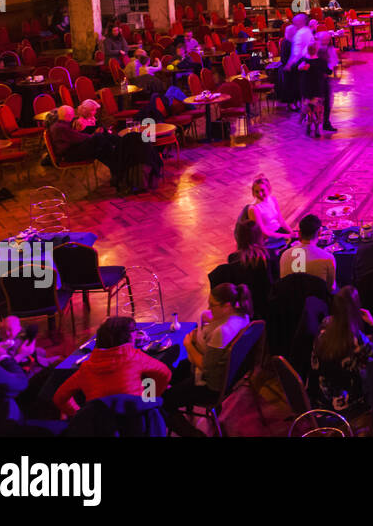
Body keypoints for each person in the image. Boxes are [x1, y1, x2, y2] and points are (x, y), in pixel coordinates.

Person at [163, 283, 253, 436]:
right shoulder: (243, 316)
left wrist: (188, 345)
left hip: (211, 387)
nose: (209, 308)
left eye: (212, 305)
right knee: (177, 369)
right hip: (228, 378)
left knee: (163, 403)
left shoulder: (222, 332)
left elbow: (205, 366)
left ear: (227, 306)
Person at [51, 316, 173, 418]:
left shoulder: (86, 368)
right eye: (135, 331)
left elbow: (59, 398)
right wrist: (149, 397)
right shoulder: (134, 356)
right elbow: (165, 373)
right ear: (127, 337)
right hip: (136, 421)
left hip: (103, 427)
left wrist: (78, 414)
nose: (137, 334)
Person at [309, 286, 373, 416]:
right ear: (356, 309)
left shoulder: (325, 324)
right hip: (348, 405)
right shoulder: (355, 338)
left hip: (321, 401)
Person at [279, 214, 336, 289]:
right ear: (319, 233)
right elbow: (330, 288)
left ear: (299, 233)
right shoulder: (328, 258)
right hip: (317, 299)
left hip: (289, 299)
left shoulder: (284, 255)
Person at [237, 175, 291, 245]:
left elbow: (281, 220)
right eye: (257, 192)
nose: (260, 194)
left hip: (278, 231)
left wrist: (291, 232)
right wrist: (286, 236)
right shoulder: (253, 208)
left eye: (262, 190)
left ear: (268, 189)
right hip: (268, 239)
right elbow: (262, 232)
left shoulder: (273, 199)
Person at [298, 43, 335, 134]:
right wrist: (331, 63)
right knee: (318, 110)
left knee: (309, 109)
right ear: (316, 50)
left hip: (306, 90)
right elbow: (329, 71)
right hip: (317, 90)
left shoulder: (303, 61)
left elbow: (297, 69)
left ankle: (308, 125)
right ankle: (317, 130)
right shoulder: (321, 62)